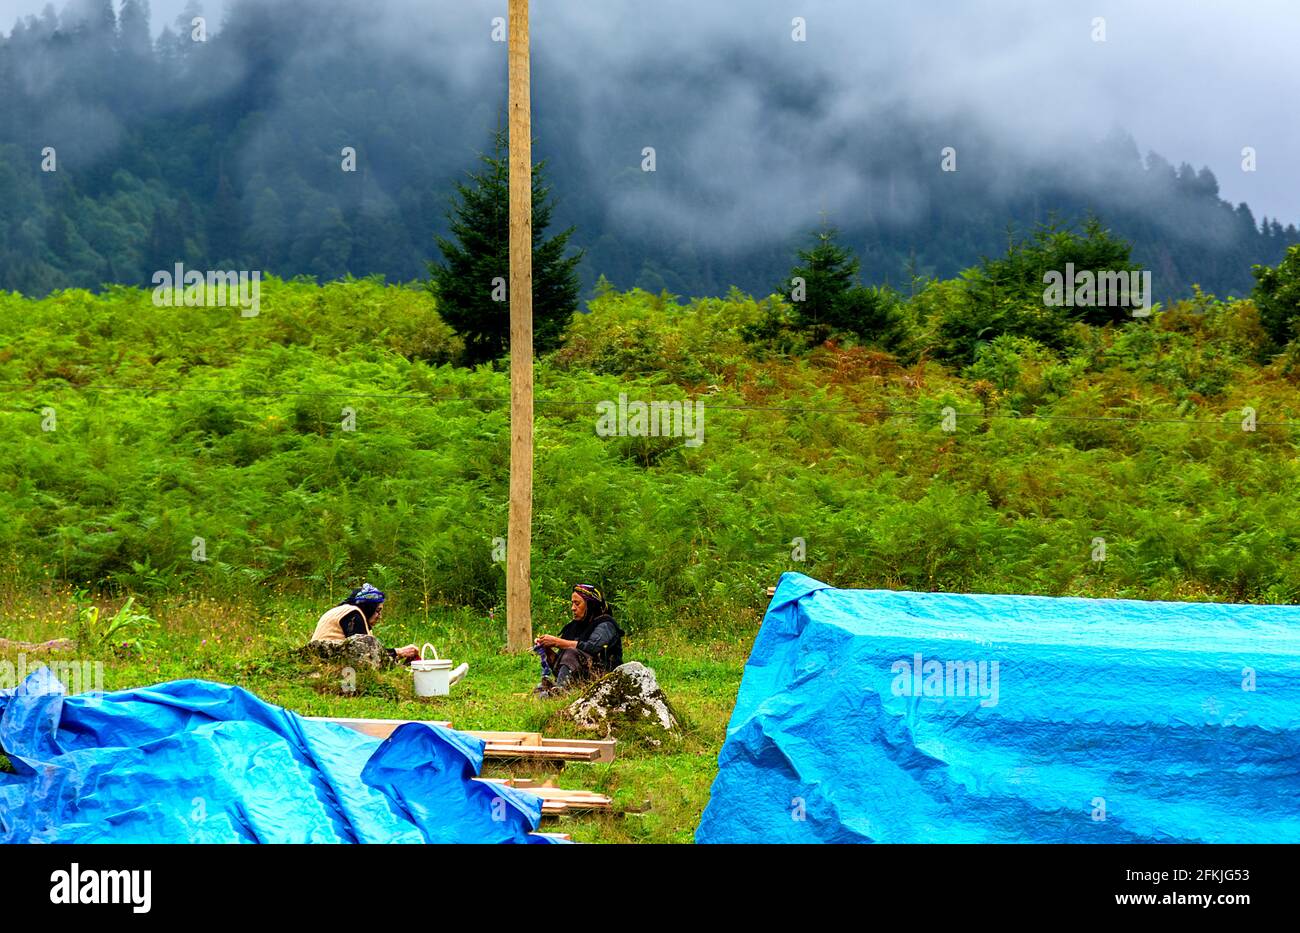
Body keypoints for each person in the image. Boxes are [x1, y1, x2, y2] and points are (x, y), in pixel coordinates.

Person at [533, 583, 624, 697]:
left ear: (590, 605)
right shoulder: (574, 627)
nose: (573, 608)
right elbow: (563, 665)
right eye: (572, 603)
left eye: (577, 603)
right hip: (581, 681)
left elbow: (592, 647)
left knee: (571, 651)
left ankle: (560, 693)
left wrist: (557, 642)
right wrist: (547, 649)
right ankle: (560, 690)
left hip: (604, 679)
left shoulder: (605, 624)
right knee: (541, 687)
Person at [310, 583, 420, 662]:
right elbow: (366, 655)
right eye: (378, 611)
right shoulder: (353, 613)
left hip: (321, 658)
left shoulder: (344, 611)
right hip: (329, 663)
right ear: (368, 607)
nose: (379, 616)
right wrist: (399, 652)